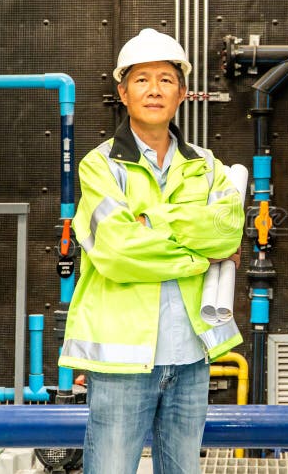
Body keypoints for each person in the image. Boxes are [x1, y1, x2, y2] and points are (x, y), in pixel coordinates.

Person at [59, 28, 245, 474]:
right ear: (123, 92)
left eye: (165, 79)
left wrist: (151, 223)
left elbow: (226, 232)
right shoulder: (100, 165)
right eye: (142, 80)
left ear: (182, 92)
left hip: (190, 357)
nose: (154, 90)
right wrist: (198, 254)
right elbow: (118, 251)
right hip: (123, 361)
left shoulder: (206, 165)